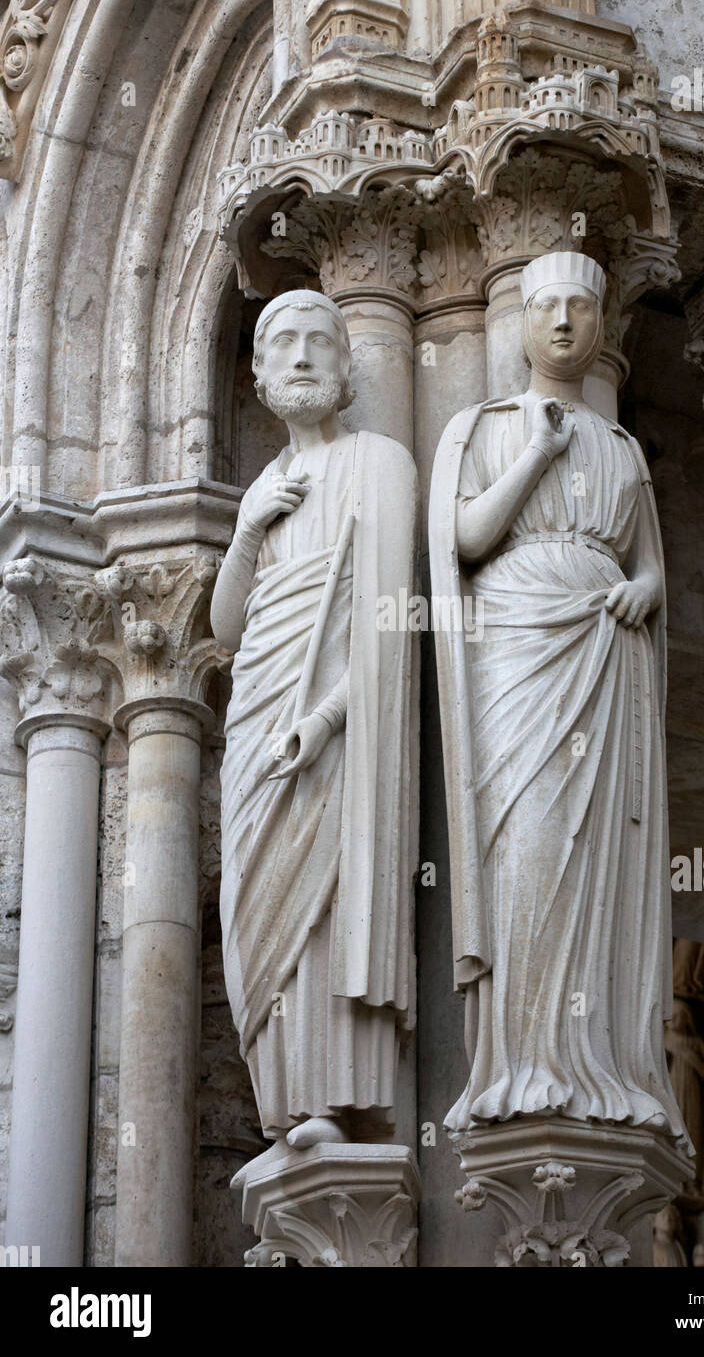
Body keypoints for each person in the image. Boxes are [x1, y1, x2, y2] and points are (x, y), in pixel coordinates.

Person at [429, 252, 690, 1148]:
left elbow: (651, 562)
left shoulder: (622, 449)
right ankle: (518, 1061)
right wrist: (537, 451)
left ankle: (598, 1061)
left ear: (601, 325)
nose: (568, 323)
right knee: (529, 842)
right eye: (551, 308)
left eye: (585, 306)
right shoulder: (483, 426)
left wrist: (645, 591)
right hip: (517, 644)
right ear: (525, 321)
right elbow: (464, 536)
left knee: (599, 861)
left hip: (606, 652)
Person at [212, 289, 417, 1162]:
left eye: (319, 342)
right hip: (259, 717)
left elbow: (392, 622)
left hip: (333, 730)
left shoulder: (379, 463)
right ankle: (285, 1103)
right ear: (257, 375)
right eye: (282, 343)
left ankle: (337, 1098)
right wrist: (249, 530)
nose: (301, 356)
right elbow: (226, 630)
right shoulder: (263, 487)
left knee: (326, 897)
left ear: (347, 367)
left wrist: (332, 718)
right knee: (251, 903)